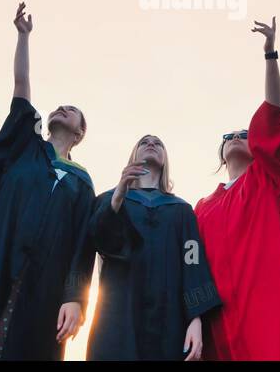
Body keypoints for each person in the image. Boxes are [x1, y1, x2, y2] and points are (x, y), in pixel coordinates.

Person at [0, 4, 96, 360]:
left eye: (71, 110)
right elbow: (21, 88)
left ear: (80, 133)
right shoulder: (27, 149)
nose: (62, 109)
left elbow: (82, 248)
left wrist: (75, 297)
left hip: (47, 279)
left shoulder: (82, 182)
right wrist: (24, 37)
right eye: (58, 107)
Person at [194, 17, 280, 361]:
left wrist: (271, 56)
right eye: (228, 137)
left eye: (243, 133)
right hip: (217, 319)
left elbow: (271, 117)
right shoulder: (201, 207)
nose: (236, 137)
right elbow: (191, 267)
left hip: (267, 313)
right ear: (221, 155)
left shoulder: (269, 181)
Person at [86, 135, 220, 360]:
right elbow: (100, 241)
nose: (151, 144)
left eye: (158, 143)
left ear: (165, 159)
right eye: (144, 142)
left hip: (169, 317)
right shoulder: (110, 200)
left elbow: (193, 262)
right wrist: (119, 195)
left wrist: (196, 320)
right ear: (133, 156)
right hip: (119, 312)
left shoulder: (182, 211)